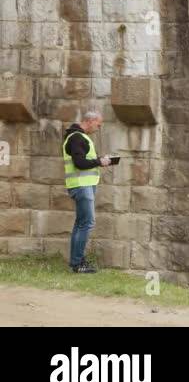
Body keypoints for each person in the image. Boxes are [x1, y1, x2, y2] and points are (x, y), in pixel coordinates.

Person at [62, 111, 111, 273]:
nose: (99, 128)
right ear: (89, 121)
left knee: (80, 224)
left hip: (83, 185)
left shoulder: (77, 137)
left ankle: (76, 262)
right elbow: (80, 163)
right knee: (87, 223)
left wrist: (99, 160)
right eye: (98, 124)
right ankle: (78, 264)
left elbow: (82, 159)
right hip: (82, 186)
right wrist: (99, 161)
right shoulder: (77, 137)